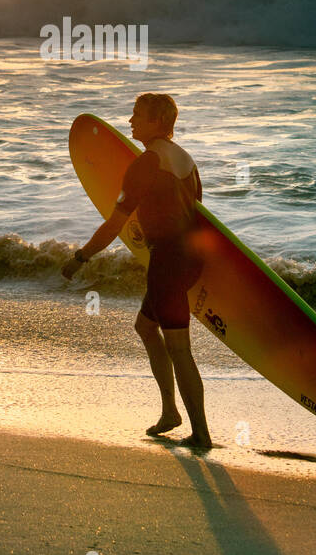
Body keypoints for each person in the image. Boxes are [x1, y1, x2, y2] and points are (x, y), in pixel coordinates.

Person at [62, 93, 212, 450]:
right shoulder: (186, 160)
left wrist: (81, 257)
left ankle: (202, 434)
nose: (130, 122)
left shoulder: (147, 163)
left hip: (168, 263)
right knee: (145, 327)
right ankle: (170, 413)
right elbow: (198, 213)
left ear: (159, 122)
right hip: (188, 258)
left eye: (137, 116)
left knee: (179, 347)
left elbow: (115, 223)